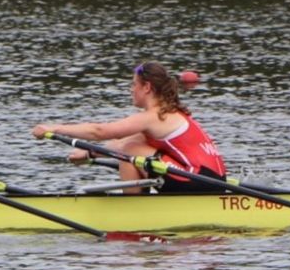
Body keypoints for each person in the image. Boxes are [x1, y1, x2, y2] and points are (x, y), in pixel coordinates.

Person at [31, 61, 226, 193]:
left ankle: (132, 211)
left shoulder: (152, 116)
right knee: (131, 146)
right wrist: (89, 154)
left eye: (134, 84)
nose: (131, 89)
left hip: (199, 182)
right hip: (212, 181)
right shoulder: (169, 114)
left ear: (147, 87)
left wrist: (54, 128)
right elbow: (123, 142)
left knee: (129, 152)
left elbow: (100, 132)